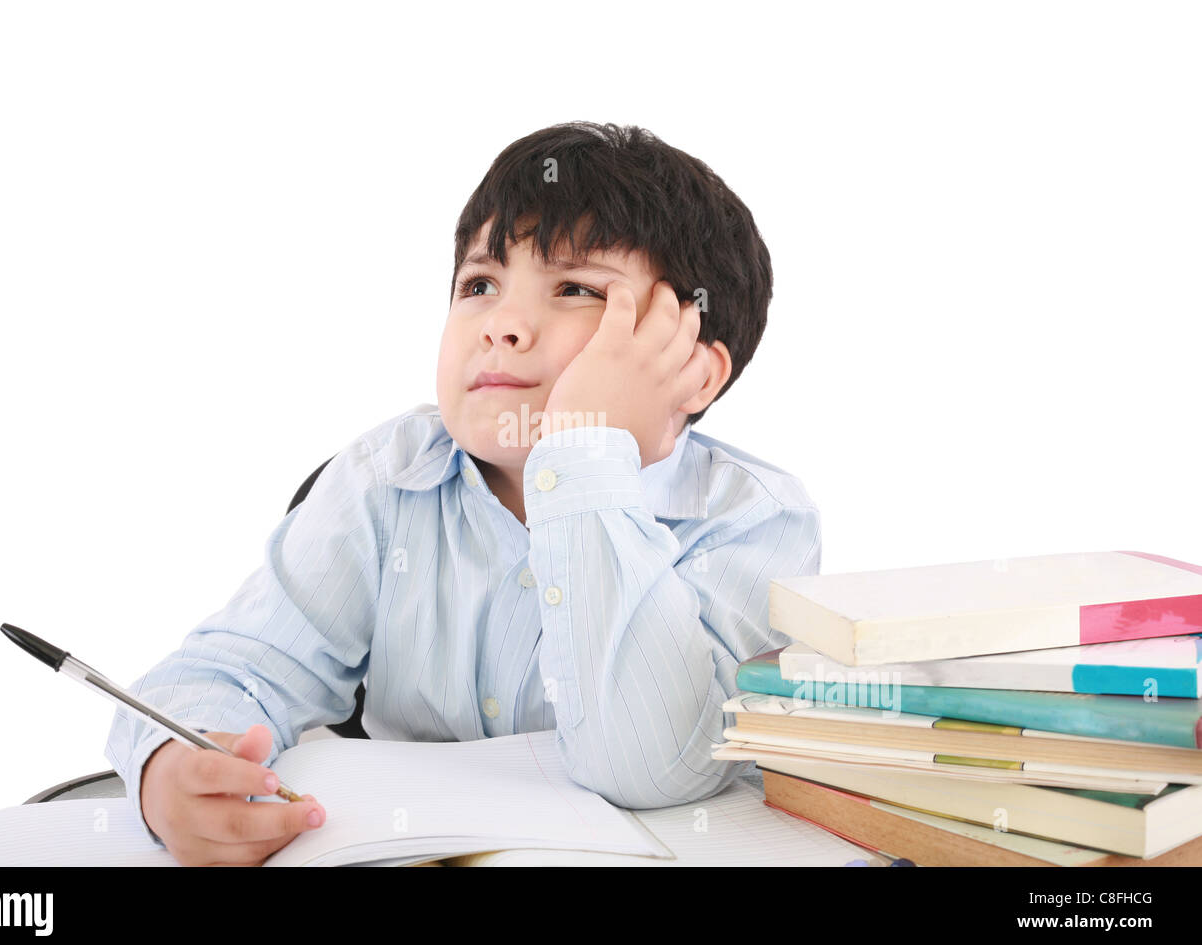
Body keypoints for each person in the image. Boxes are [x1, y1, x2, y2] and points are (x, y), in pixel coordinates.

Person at [106, 121, 821, 866]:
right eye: (480, 285)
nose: (503, 325)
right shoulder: (385, 480)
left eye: (575, 288)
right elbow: (229, 673)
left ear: (695, 371)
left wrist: (583, 457)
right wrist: (169, 768)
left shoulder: (755, 520)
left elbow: (651, 764)